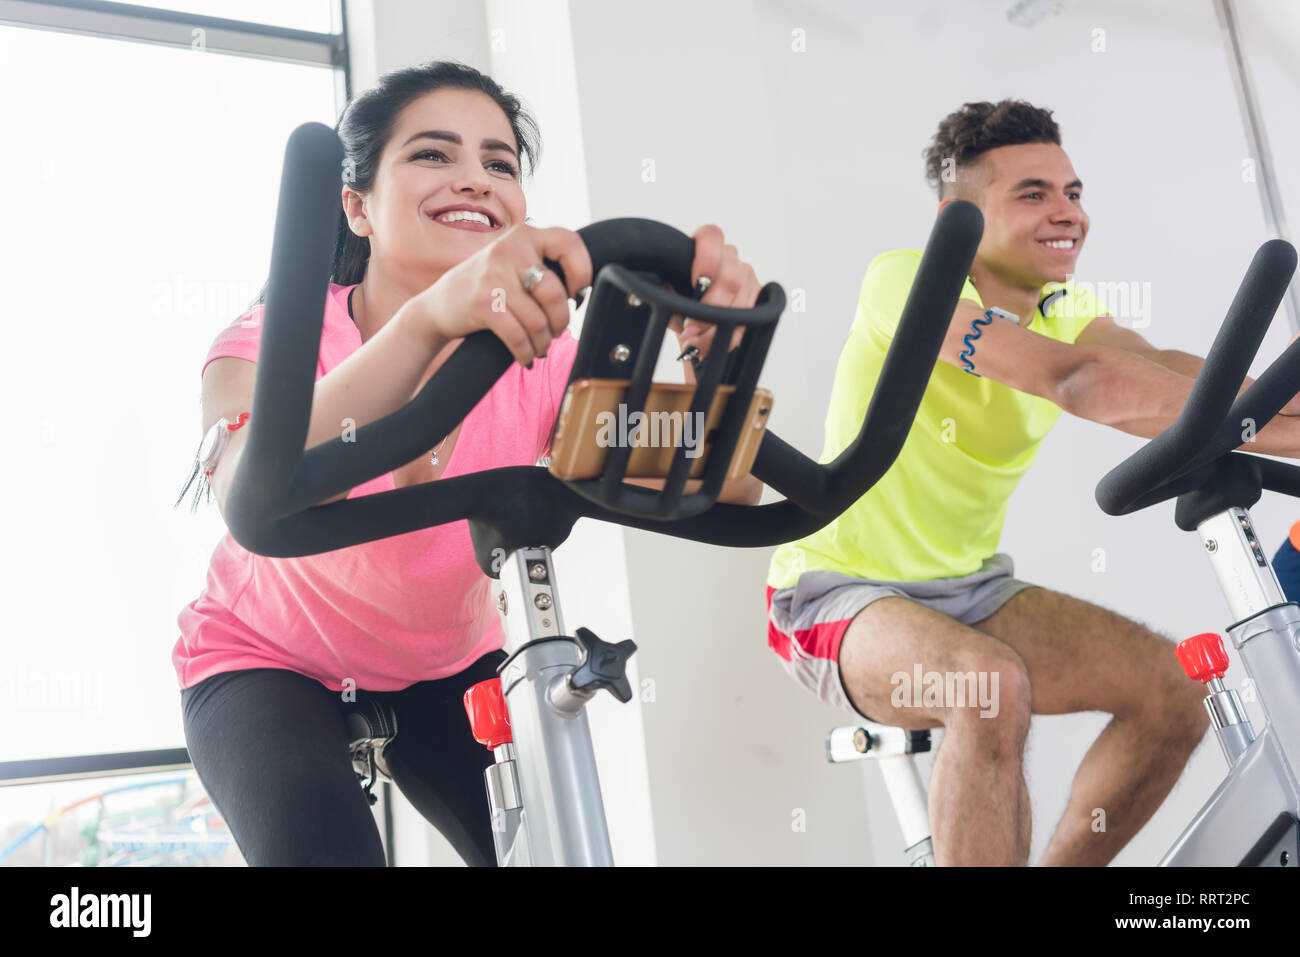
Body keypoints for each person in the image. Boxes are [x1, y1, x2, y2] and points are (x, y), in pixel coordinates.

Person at [172, 59, 763, 867]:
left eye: (499, 163)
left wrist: (714, 356)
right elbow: (256, 484)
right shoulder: (271, 341)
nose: (475, 180)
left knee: (547, 854)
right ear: (357, 206)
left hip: (444, 666)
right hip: (269, 660)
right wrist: (428, 319)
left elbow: (730, 482)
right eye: (432, 154)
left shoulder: (540, 360)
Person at [765, 99, 1300, 866]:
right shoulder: (907, 281)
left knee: (1171, 691)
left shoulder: (1065, 307)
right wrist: (1254, 416)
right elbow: (1083, 382)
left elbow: (1172, 374)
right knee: (989, 687)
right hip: (835, 593)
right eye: (1033, 194)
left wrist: (1282, 404)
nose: (1067, 212)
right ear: (962, 213)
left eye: (1073, 192)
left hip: (972, 589)